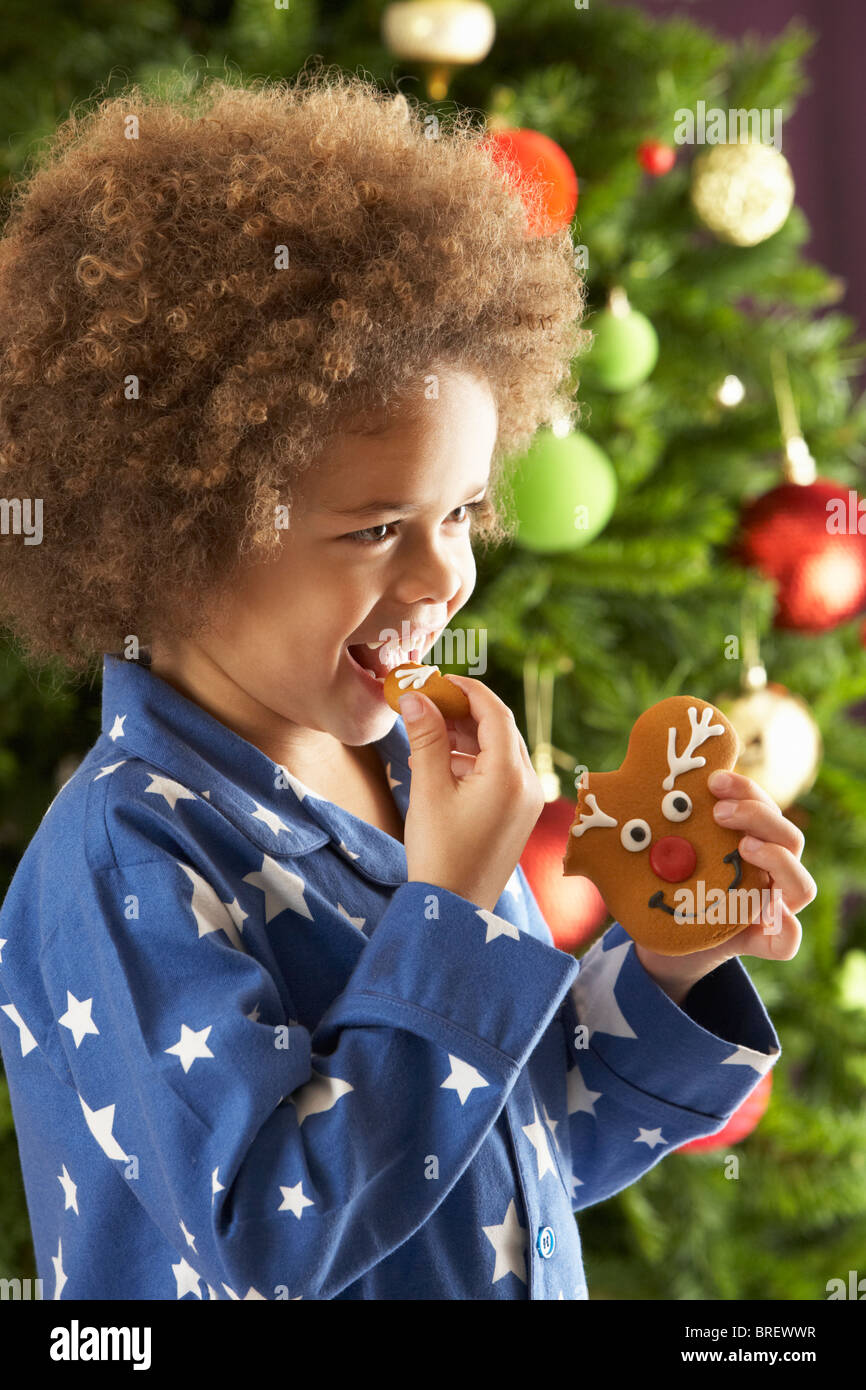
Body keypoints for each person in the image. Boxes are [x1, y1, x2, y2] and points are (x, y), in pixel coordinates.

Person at [0, 64, 816, 1300]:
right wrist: (447, 906)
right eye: (376, 528)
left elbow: (505, 1147)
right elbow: (272, 1243)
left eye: (462, 513)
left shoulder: (413, 776)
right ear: (173, 542)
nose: (444, 575)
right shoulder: (126, 857)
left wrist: (667, 969)